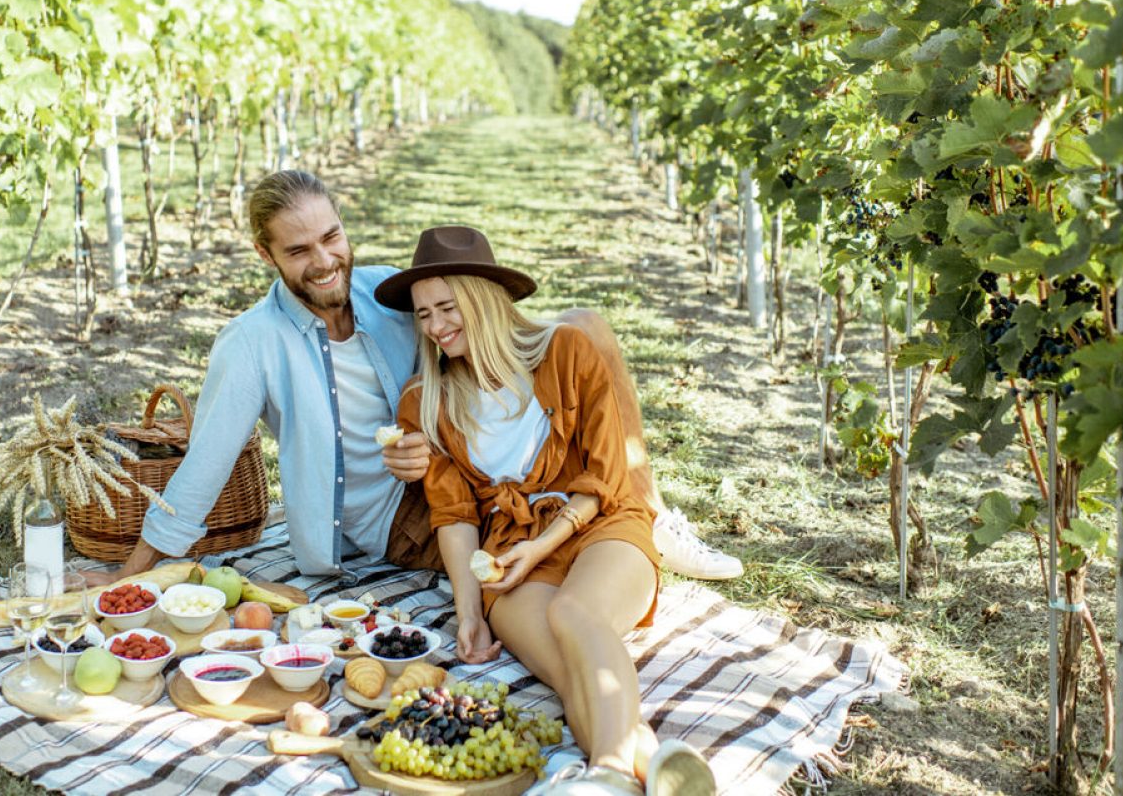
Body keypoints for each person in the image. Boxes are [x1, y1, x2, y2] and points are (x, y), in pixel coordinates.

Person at [89, 170, 740, 585]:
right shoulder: (251, 343)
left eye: (332, 237)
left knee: (586, 329)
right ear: (264, 255)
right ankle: (620, 527)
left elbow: (477, 344)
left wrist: (429, 440)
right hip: (400, 517)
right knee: (542, 537)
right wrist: (131, 573)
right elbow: (205, 463)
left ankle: (648, 512)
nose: (325, 262)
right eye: (298, 250)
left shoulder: (387, 295)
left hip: (464, 467)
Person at [378, 226, 716, 796]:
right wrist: (469, 612)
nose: (435, 327)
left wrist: (545, 542)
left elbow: (609, 474)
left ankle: (606, 772)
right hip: (509, 552)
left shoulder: (566, 352)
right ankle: (656, 765)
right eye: (423, 315)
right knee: (565, 673)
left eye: (447, 307)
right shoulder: (426, 400)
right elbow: (455, 516)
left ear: (482, 299)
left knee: (574, 616)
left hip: (599, 521)